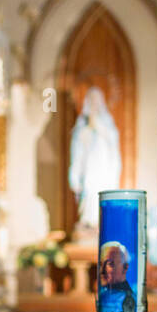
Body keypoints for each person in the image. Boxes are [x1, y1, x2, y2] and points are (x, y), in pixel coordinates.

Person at [67, 87, 120, 233]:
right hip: (89, 168)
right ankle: (88, 223)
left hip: (104, 168)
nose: (94, 103)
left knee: (102, 193)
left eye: (97, 100)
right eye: (92, 100)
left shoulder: (107, 122)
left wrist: (98, 127)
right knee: (89, 192)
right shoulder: (82, 124)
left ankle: (100, 224)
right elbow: (77, 150)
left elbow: (113, 143)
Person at [99, 240, 136, 312]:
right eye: (101, 264)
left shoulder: (129, 300)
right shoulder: (103, 295)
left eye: (109, 264)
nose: (102, 271)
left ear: (125, 267)